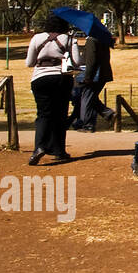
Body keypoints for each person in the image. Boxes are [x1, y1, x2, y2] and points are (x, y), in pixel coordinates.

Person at [24, 12, 80, 165]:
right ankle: (59, 151)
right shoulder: (69, 39)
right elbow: (77, 62)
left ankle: (39, 147)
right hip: (62, 79)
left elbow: (29, 63)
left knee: (43, 114)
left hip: (40, 79)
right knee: (60, 114)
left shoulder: (37, 38)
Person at [76, 30, 115, 131]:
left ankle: (87, 124)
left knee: (86, 97)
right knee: (92, 98)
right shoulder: (102, 40)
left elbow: (91, 60)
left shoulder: (92, 40)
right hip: (102, 74)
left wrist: (88, 77)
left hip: (94, 75)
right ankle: (108, 113)